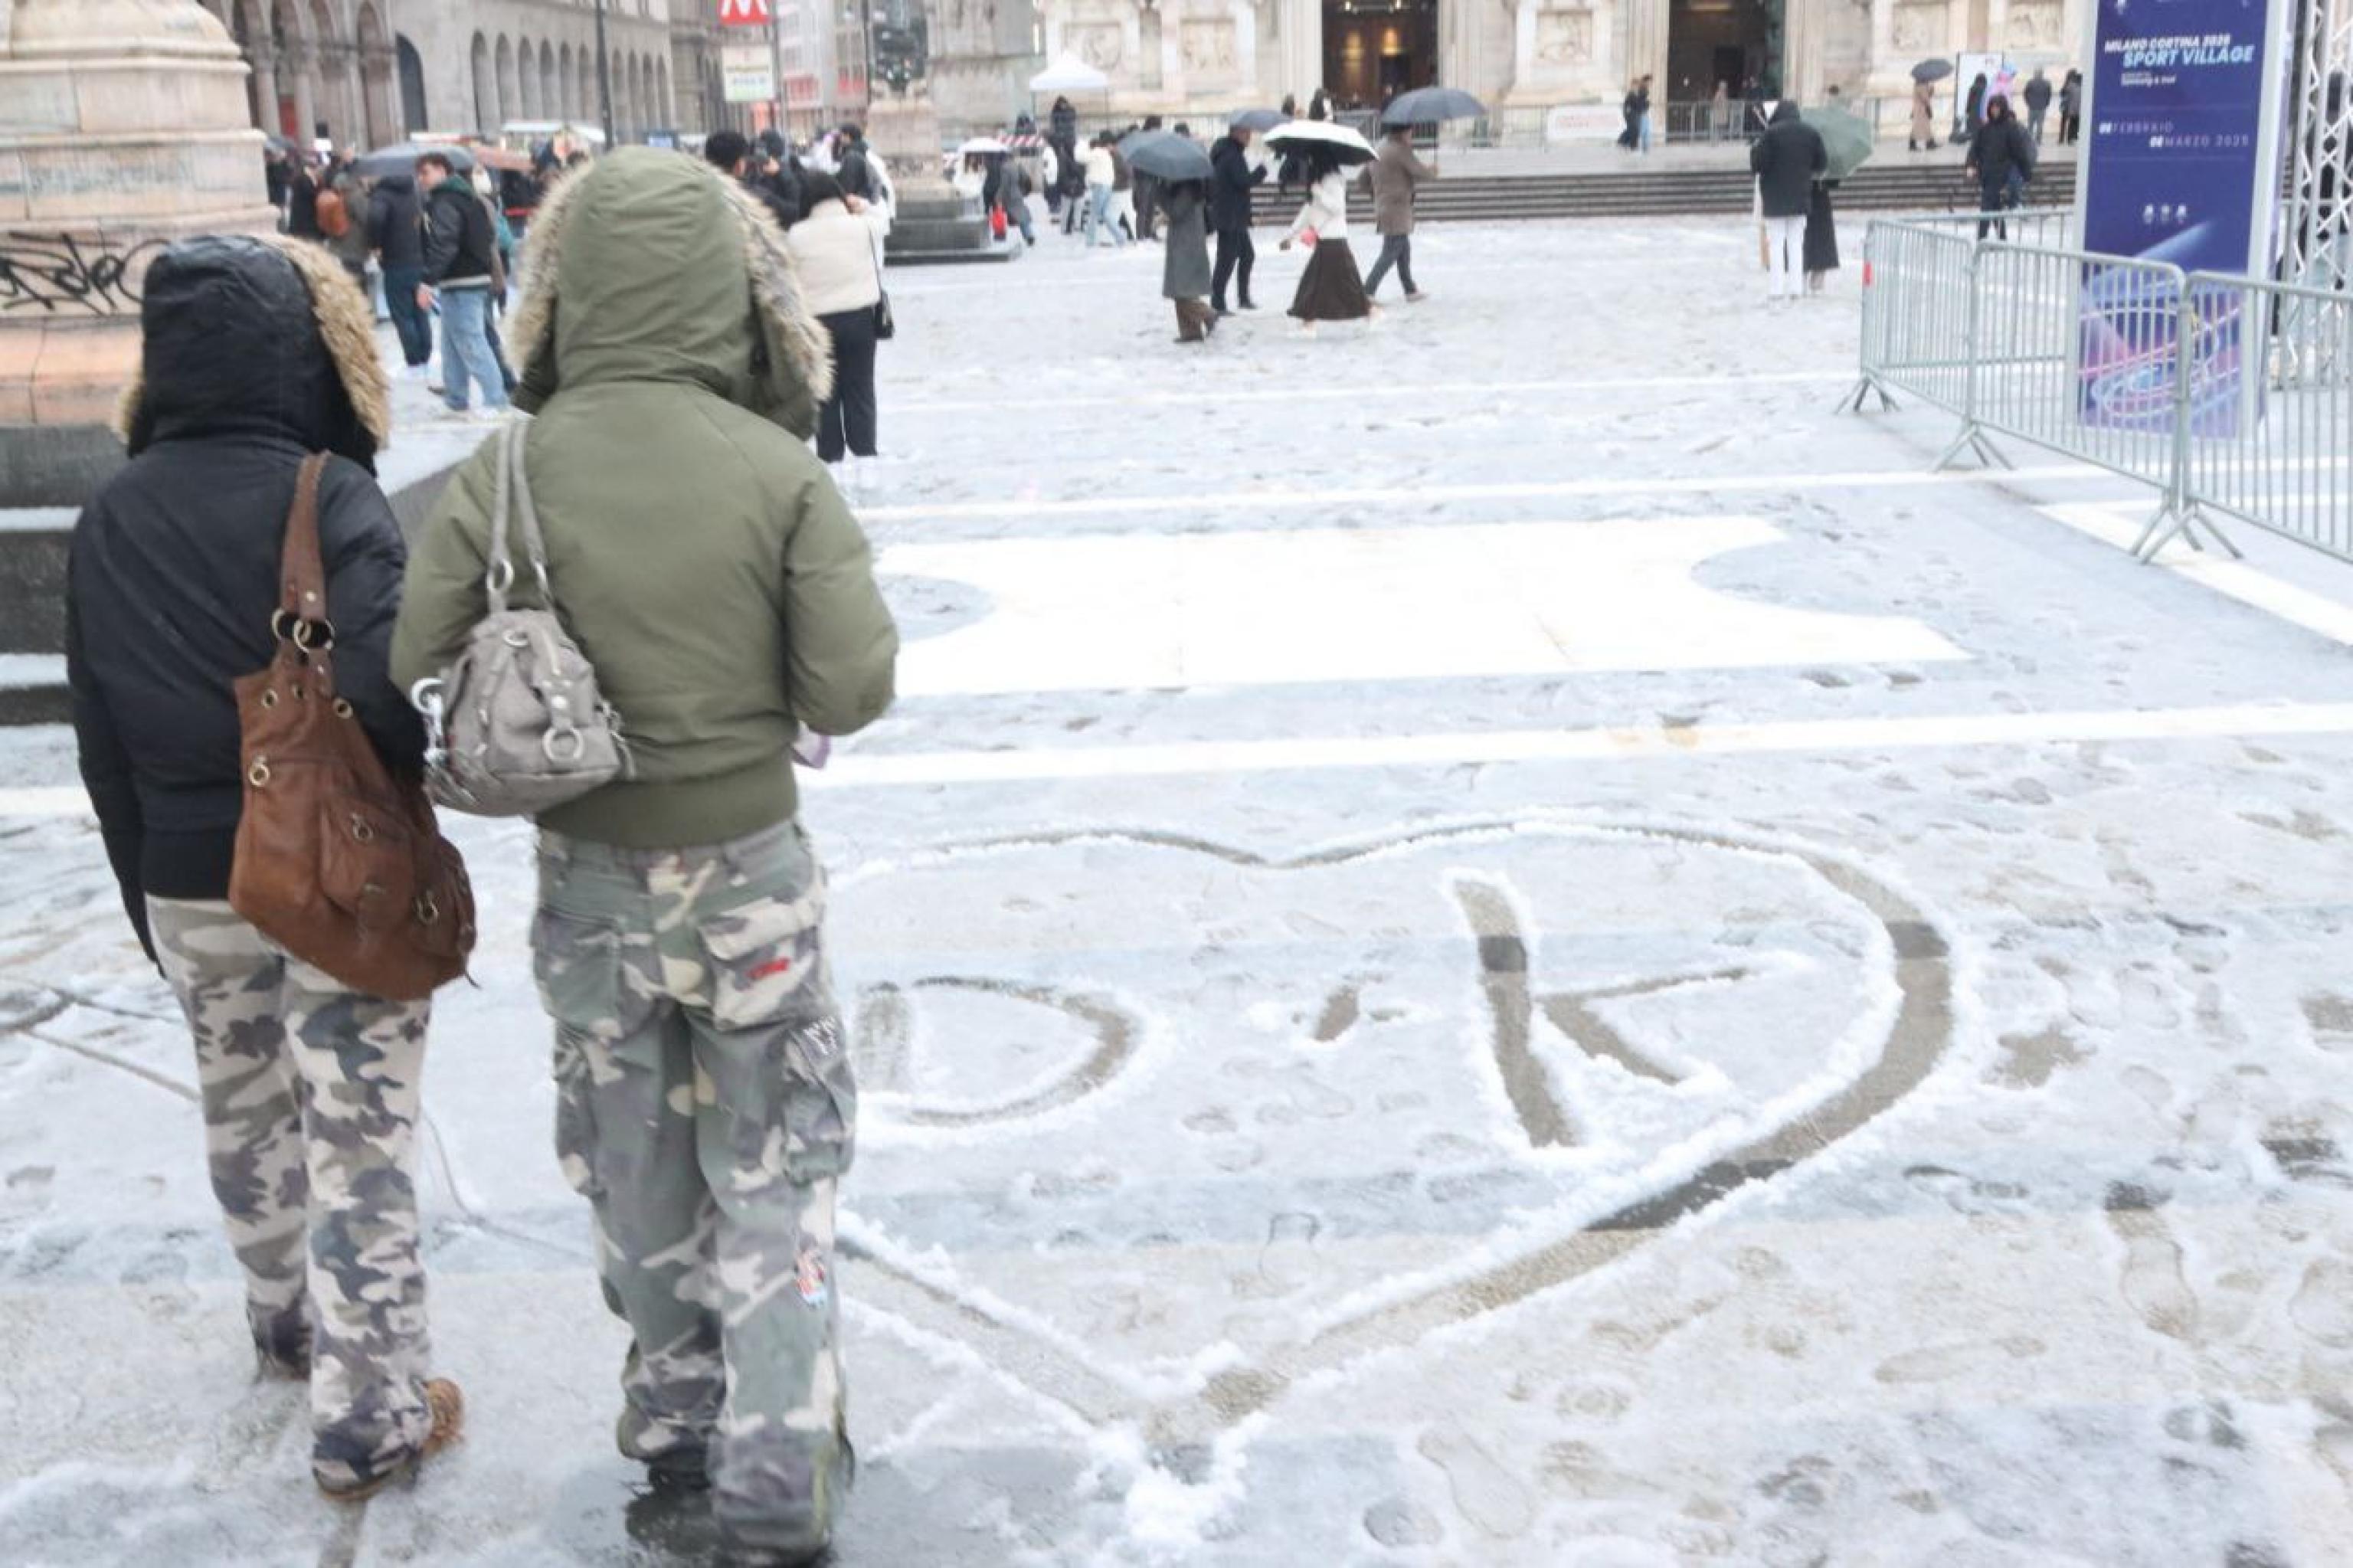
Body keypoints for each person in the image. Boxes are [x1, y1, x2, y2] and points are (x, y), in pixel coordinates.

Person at [391, 147, 897, 1566]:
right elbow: (853, 687)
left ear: (568, 291)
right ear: (735, 291)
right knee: (775, 1153)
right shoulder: (772, 465)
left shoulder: (511, 465)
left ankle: (672, 1418)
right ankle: (780, 1451)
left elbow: (410, 648)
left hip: (590, 882)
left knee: (632, 1156)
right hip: (749, 873)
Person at [69, 231, 462, 1501]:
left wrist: (148, 888)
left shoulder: (109, 507)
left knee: (242, 1114)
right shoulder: (327, 489)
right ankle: (370, 1414)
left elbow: (97, 729)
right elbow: (387, 693)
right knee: (360, 1137)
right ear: (304, 351)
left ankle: (285, 1325)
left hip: (188, 871)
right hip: (331, 872)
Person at [784, 171, 888, 483]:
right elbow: (884, 218)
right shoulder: (863, 228)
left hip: (817, 324)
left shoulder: (796, 235)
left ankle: (832, 462)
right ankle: (866, 459)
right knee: (860, 389)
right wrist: (863, 205)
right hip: (860, 319)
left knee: (825, 394)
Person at [416, 150, 508, 420]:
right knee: (452, 344)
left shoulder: (445, 202)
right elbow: (489, 234)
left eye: (426, 172)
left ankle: (495, 399)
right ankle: (456, 399)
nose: (421, 179)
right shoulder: (469, 198)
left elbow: (444, 243)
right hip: (471, 276)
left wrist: (427, 281)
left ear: (443, 171)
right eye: (419, 174)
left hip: (461, 278)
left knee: (470, 341)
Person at [1281, 149, 1373, 329]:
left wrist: (1318, 192)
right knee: (1325, 283)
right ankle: (1310, 321)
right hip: (1327, 240)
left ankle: (1310, 322)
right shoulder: (1320, 181)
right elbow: (1308, 211)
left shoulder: (1332, 180)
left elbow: (1337, 207)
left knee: (1321, 283)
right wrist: (1290, 236)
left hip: (1335, 238)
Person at [1749, 100, 1826, 304]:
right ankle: (1796, 288)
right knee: (1796, 244)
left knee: (1776, 244)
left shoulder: (1770, 135)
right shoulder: (1811, 133)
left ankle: (1776, 289)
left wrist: (1755, 150)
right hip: (1800, 195)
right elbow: (1821, 163)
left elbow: (1758, 165)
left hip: (1775, 198)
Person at [368, 169, 431, 381]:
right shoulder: (414, 192)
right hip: (418, 260)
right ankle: (425, 357)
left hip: (395, 261)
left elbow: (376, 218)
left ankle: (413, 361)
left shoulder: (382, 195)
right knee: (420, 312)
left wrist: (376, 244)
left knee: (402, 315)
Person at [1365, 125, 1433, 303]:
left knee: (1403, 248)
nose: (1412, 134)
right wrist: (1433, 171)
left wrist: (1377, 194)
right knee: (1392, 250)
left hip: (1384, 206)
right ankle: (1368, 290)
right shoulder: (1400, 150)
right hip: (1397, 207)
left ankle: (1409, 289)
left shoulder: (1378, 148)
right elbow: (1420, 172)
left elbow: (1362, 179)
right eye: (1410, 131)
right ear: (1403, 132)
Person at [1209, 124, 1267, 313]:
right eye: (1247, 133)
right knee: (1226, 260)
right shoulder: (1231, 155)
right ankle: (1217, 302)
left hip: (1235, 216)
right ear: (1236, 133)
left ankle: (1243, 297)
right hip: (1230, 216)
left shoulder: (1231, 152)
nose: (1250, 136)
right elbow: (1243, 181)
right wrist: (1260, 172)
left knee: (1247, 255)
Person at [1966, 93, 2036, 239]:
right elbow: (1974, 149)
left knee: (1986, 205)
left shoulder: (2010, 128)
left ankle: (1981, 238)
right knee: (1995, 206)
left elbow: (2019, 152)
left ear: (2002, 109)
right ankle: (2002, 237)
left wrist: (2026, 171)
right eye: (1992, 107)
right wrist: (1971, 165)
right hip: (1986, 172)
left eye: (1997, 107)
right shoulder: (1985, 129)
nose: (1994, 110)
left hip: (2001, 173)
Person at [1160, 176, 1216, 343]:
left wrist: (1160, 194)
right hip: (1183, 240)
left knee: (1182, 291)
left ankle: (1207, 313)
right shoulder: (1184, 185)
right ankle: (1190, 331)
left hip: (1187, 243)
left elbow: (1176, 212)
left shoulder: (1187, 188)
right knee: (1182, 290)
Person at [708, 129, 796, 228]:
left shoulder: (700, 193)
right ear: (739, 165)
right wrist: (779, 174)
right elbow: (792, 212)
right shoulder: (753, 194)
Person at [983, 150, 1036, 246]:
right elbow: (1026, 178)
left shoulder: (1005, 168)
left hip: (1009, 197)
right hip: (1017, 194)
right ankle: (1029, 235)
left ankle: (1000, 235)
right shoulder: (1017, 165)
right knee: (1022, 216)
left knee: (999, 215)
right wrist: (1023, 191)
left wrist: (998, 197)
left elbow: (1004, 185)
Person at [1082, 133, 1125, 249]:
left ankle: (1090, 241)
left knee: (1094, 214)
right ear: (1108, 145)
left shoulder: (1099, 153)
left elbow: (1082, 158)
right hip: (1108, 185)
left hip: (1101, 185)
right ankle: (1120, 237)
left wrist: (1080, 147)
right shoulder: (1106, 154)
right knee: (1105, 214)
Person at [1805, 177, 1841, 294]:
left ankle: (1812, 282)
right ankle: (1811, 282)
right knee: (1805, 240)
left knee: (1816, 240)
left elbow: (1833, 181)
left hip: (1814, 198)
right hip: (1810, 198)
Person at [286, 156, 322, 240]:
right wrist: (317, 190)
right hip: (304, 212)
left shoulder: (300, 177)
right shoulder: (304, 178)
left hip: (300, 211)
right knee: (304, 234)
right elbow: (309, 193)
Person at [2023, 67, 2054, 143]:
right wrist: (2046, 104)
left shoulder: (2030, 82)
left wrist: (2028, 102)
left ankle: (2029, 140)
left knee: (2030, 124)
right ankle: (2038, 140)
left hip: (2032, 106)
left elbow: (2025, 93)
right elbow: (2049, 95)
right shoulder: (2047, 83)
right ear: (2042, 74)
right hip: (2042, 106)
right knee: (2040, 124)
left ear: (2035, 74)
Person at [1910, 79, 1940, 152]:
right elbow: (1926, 98)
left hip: (1921, 109)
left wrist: (1931, 89)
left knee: (1924, 127)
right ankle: (1914, 144)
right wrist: (1929, 108)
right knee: (1919, 127)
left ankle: (1930, 142)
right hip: (1921, 110)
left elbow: (1927, 96)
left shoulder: (1921, 86)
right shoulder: (1921, 86)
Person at [2059, 69, 2083, 145]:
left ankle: (2062, 139)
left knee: (2065, 123)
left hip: (2067, 107)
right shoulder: (2077, 85)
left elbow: (2062, 93)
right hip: (2074, 107)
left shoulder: (2068, 84)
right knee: (2074, 123)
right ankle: (2071, 138)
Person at [1964, 72, 1988, 140]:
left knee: (1974, 126)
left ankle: (1975, 139)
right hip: (1983, 110)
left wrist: (1967, 110)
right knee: (1981, 126)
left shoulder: (1973, 87)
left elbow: (1970, 99)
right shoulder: (1986, 88)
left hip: (1973, 110)